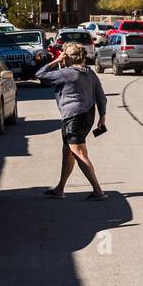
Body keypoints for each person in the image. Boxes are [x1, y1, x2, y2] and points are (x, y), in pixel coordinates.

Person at [36, 42, 107, 199]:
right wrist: (102, 116)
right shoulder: (90, 72)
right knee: (67, 151)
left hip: (74, 117)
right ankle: (60, 188)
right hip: (88, 115)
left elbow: (40, 74)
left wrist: (55, 61)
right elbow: (101, 96)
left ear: (67, 57)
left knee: (79, 153)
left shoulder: (68, 73)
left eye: (63, 55)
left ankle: (98, 191)